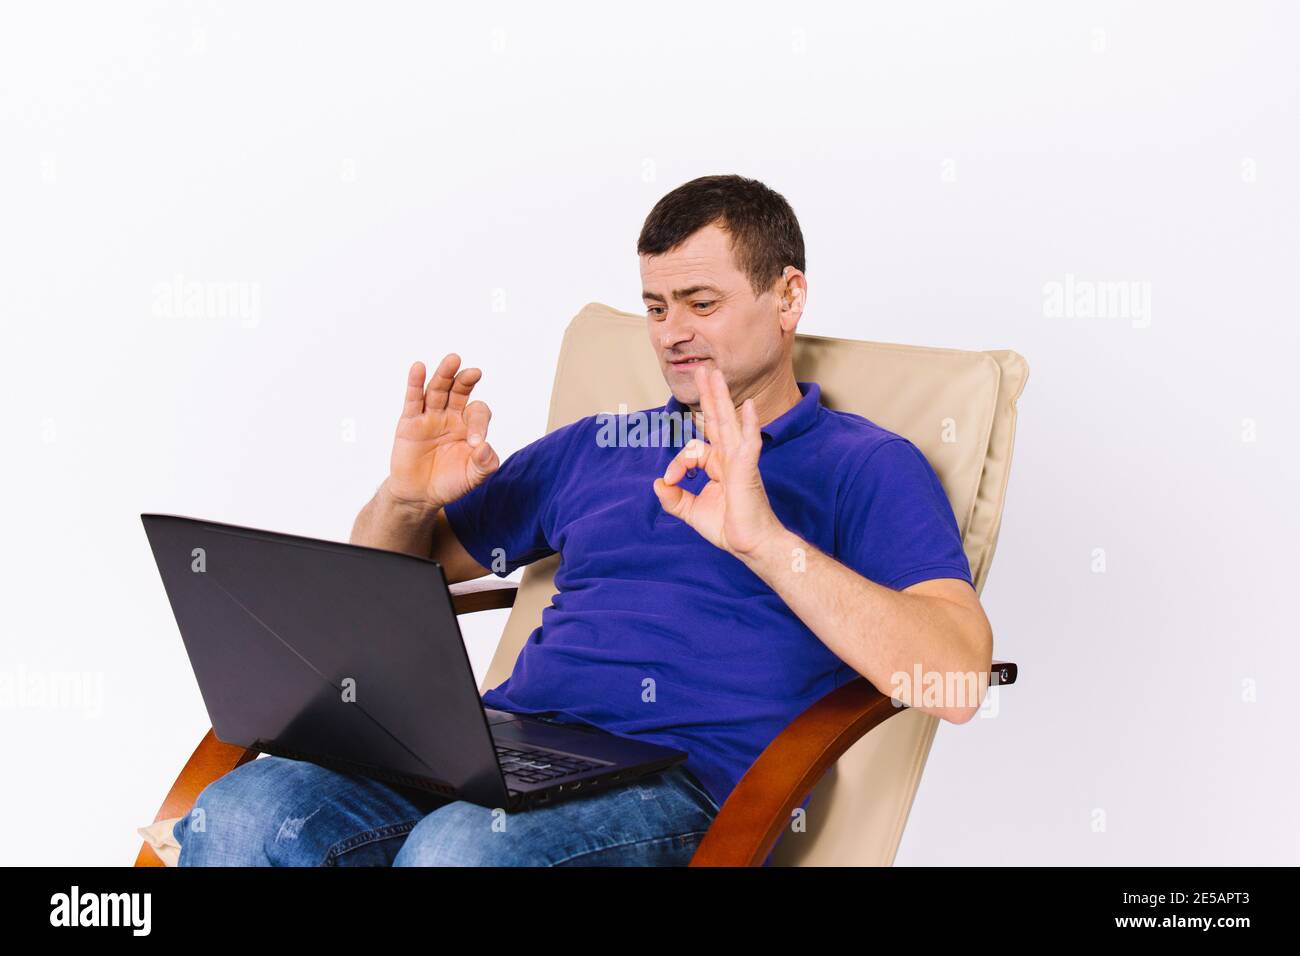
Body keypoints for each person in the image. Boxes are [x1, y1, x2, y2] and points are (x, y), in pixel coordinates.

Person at [174, 174, 993, 866]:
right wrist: (407, 499)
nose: (673, 333)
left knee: (460, 853)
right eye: (656, 306)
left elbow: (955, 680)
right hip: (496, 745)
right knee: (239, 811)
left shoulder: (865, 464)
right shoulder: (601, 444)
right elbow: (391, 580)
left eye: (701, 302)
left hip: (684, 784)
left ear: (788, 296)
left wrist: (767, 543)